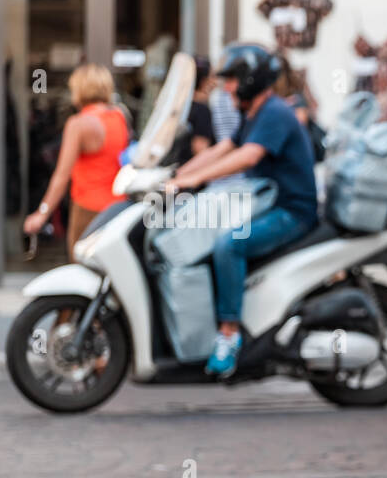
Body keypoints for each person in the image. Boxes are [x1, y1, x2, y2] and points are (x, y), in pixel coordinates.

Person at [164, 42, 318, 378]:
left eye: (232, 79)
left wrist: (194, 180)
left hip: (291, 211)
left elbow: (248, 156)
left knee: (229, 244)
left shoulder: (275, 113)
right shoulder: (254, 114)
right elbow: (223, 148)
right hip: (264, 206)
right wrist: (176, 175)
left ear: (251, 80)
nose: (226, 86)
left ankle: (228, 336)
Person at [23, 64, 130, 261]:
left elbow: (62, 176)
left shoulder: (79, 124)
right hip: (117, 207)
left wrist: (42, 212)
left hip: (87, 209)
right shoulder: (119, 116)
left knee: (82, 269)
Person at [188, 56, 217, 156]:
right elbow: (201, 151)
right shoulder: (202, 111)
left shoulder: (184, 108)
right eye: (212, 76)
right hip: (191, 168)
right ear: (204, 81)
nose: (215, 82)